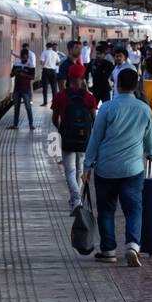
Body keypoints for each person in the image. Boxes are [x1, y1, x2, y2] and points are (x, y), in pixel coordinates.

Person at [81, 68, 152, 266]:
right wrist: (150, 153)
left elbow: (95, 138)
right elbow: (151, 142)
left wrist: (87, 165)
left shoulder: (107, 108)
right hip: (133, 169)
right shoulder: (144, 109)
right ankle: (133, 245)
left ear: (117, 85)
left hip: (105, 169)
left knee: (106, 209)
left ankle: (108, 250)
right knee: (133, 208)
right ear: (135, 86)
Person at [52, 63, 98, 211]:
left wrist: (61, 130)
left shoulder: (60, 96)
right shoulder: (90, 98)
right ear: (83, 77)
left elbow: (55, 118)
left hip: (68, 139)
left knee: (70, 171)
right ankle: (75, 199)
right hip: (85, 139)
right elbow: (94, 118)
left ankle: (76, 199)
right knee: (79, 170)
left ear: (69, 77)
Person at [8, 47, 36, 130]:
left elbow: (33, 77)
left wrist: (24, 75)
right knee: (16, 108)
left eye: (25, 57)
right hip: (17, 89)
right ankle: (15, 125)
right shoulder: (16, 65)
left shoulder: (31, 65)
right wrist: (15, 72)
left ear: (27, 57)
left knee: (28, 107)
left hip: (26, 90)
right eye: (22, 57)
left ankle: (31, 124)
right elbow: (11, 75)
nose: (24, 58)